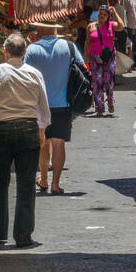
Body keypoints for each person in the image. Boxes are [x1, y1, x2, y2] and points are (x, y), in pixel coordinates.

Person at [0, 32, 51, 248]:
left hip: (2, 130)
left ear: (5, 52)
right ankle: (23, 234)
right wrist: (41, 130)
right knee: (26, 183)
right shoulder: (35, 73)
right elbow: (43, 107)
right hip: (28, 129)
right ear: (25, 53)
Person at [25, 23, 84, 195]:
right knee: (59, 143)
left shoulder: (32, 49)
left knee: (43, 143)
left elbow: (23, 71)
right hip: (63, 103)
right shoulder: (69, 46)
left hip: (39, 105)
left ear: (39, 31)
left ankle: (43, 178)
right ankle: (55, 184)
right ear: (56, 30)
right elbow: (81, 66)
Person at [86, 2, 123, 116]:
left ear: (108, 16)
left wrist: (115, 12)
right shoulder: (91, 26)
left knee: (108, 81)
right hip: (94, 58)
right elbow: (87, 43)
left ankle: (110, 100)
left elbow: (121, 26)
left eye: (104, 14)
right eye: (100, 14)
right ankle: (99, 107)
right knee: (96, 82)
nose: (101, 16)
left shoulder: (111, 25)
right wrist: (85, 58)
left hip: (109, 58)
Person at [120, 0, 136, 67]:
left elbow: (124, 11)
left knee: (128, 45)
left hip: (127, 24)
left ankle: (128, 66)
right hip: (133, 23)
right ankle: (130, 65)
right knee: (130, 44)